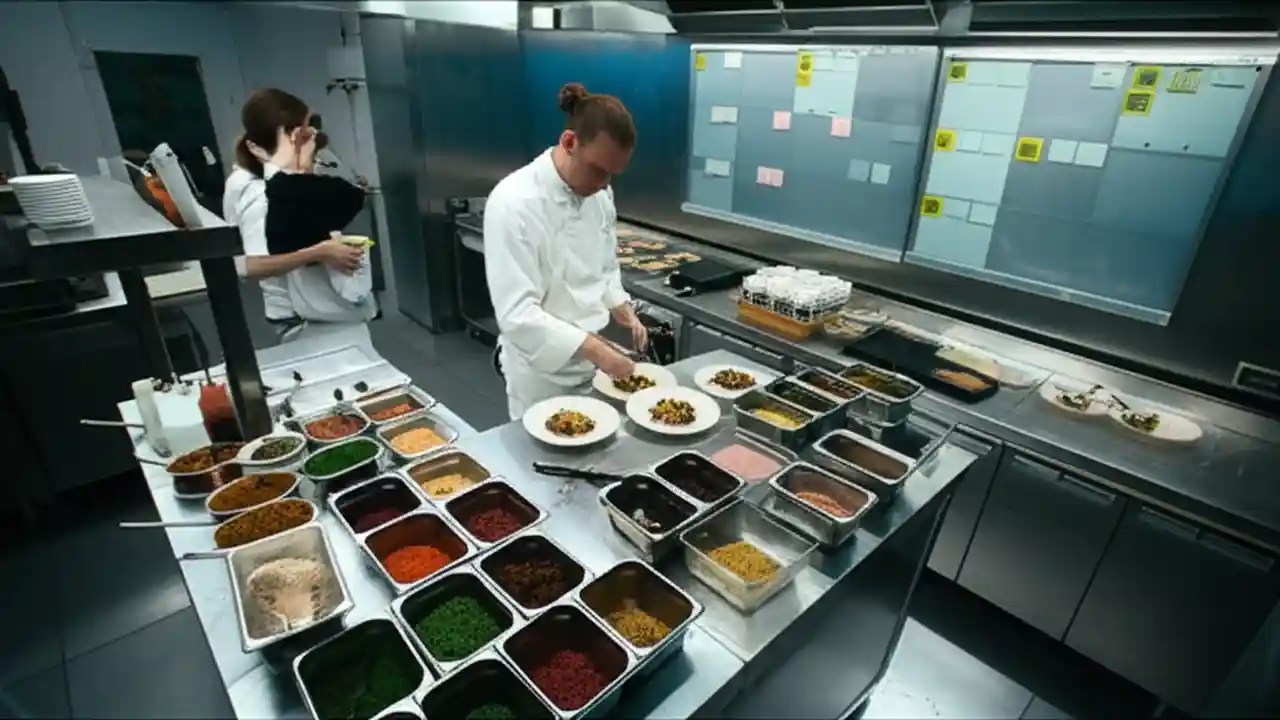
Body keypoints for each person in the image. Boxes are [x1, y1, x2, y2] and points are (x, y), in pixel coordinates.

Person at [484, 82, 648, 419]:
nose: (604, 184)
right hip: (540, 375)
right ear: (569, 142)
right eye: (599, 170)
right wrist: (598, 351)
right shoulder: (514, 202)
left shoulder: (599, 195)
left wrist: (622, 308)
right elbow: (517, 314)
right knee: (545, 464)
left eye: (613, 175)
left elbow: (604, 264)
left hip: (592, 366)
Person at [223, 88, 376, 343]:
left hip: (315, 312)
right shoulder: (261, 193)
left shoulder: (263, 181)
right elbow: (250, 265)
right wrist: (321, 252)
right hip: (306, 318)